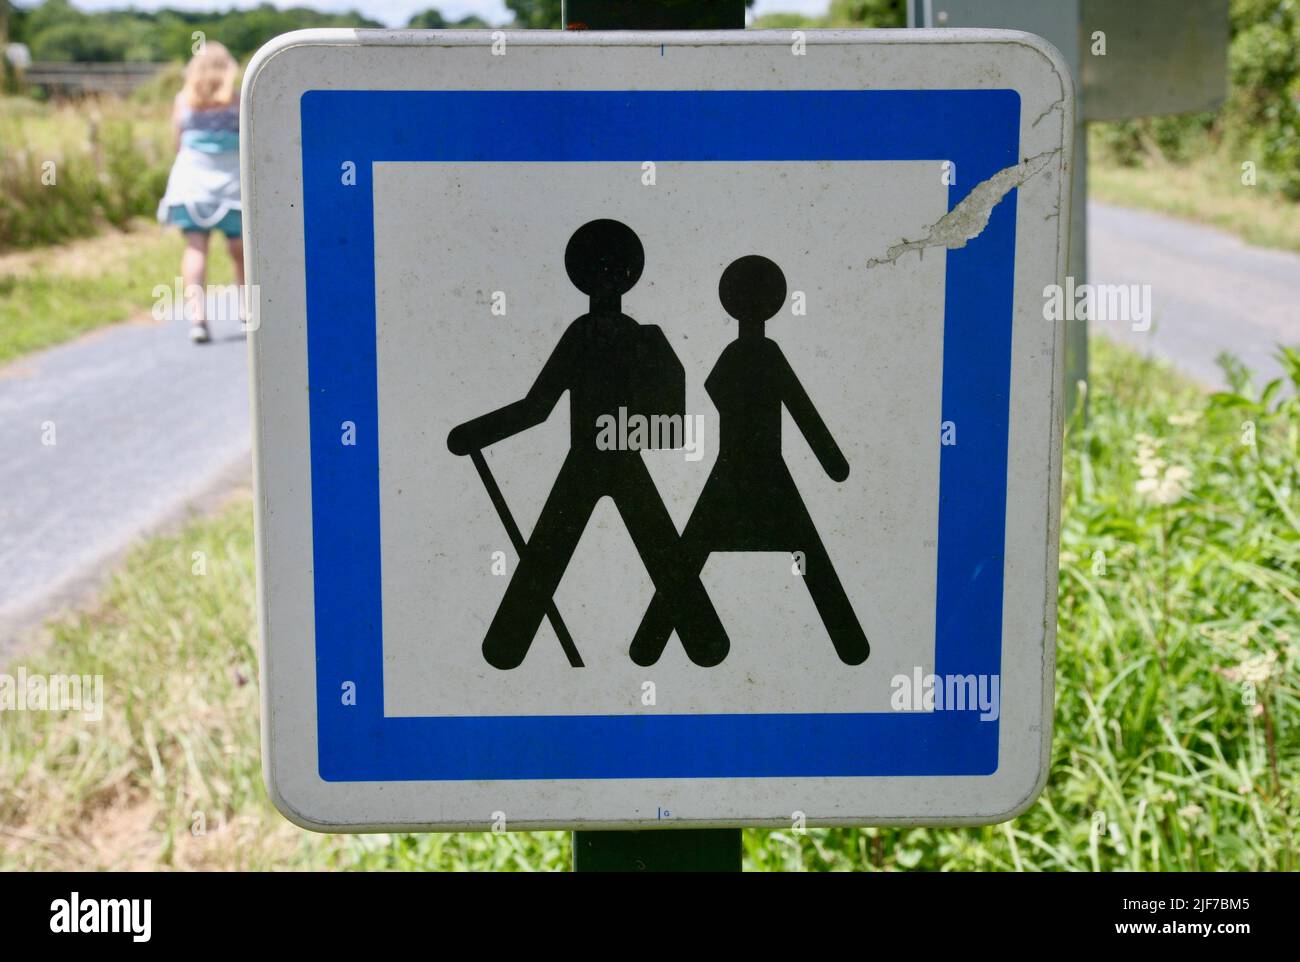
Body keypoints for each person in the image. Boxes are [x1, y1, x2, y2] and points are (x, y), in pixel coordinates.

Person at [447, 219, 730, 670]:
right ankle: (705, 642)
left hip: (588, 460)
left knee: (548, 555)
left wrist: (476, 434)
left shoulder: (586, 333)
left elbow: (536, 407)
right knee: (657, 553)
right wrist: (475, 434)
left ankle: (507, 645)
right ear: (629, 276)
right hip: (622, 457)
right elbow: (545, 408)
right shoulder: (633, 333)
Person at [629, 255, 871, 667]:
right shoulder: (767, 353)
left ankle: (648, 646)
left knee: (692, 553)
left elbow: (716, 388)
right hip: (764, 470)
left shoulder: (735, 352)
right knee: (800, 549)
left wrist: (831, 462)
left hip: (733, 468)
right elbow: (800, 408)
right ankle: (850, 646)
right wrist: (832, 463)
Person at [157, 41, 244, 344]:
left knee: (196, 249)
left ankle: (198, 320)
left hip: (192, 184)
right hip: (232, 186)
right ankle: (247, 312)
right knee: (240, 252)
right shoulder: (237, 101)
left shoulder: (184, 101)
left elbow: (177, 143)